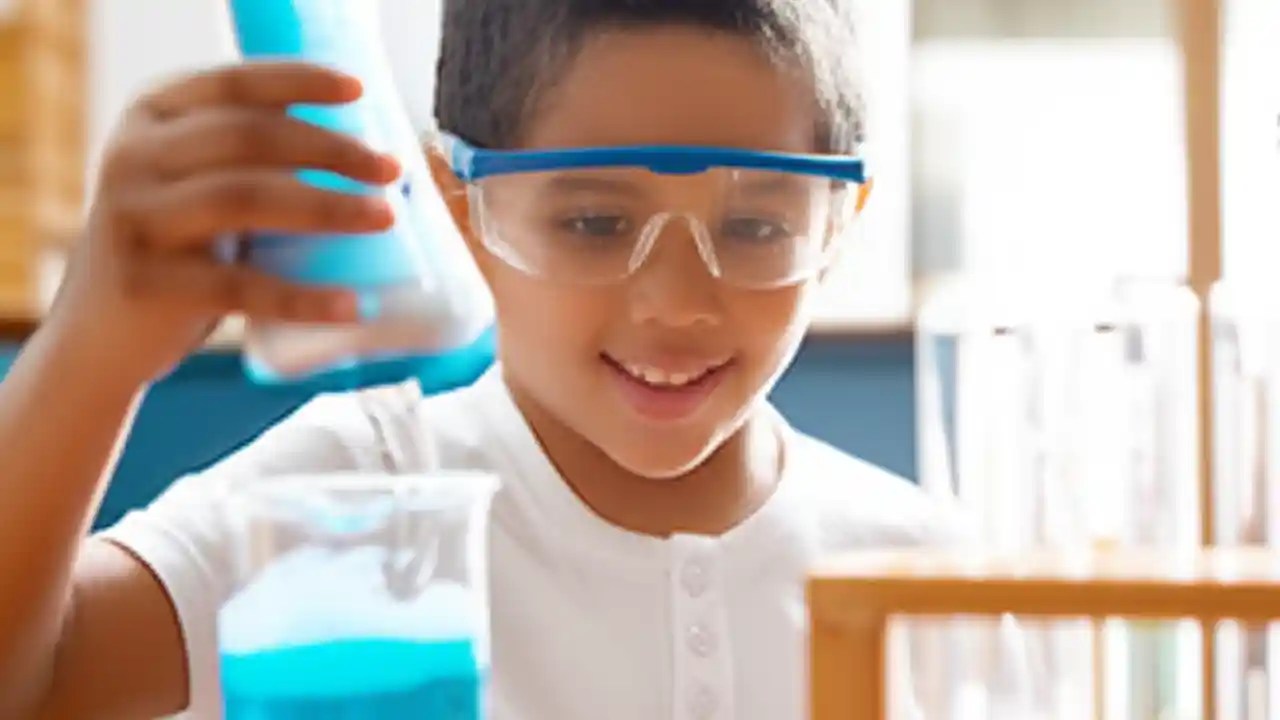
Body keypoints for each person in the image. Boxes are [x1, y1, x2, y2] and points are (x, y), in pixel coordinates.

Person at [0, 0, 967, 717]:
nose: (676, 304)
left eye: (757, 223)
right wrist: (92, 346)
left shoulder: (928, 570)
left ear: (840, 224)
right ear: (461, 209)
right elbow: (33, 680)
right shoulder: (350, 504)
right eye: (592, 221)